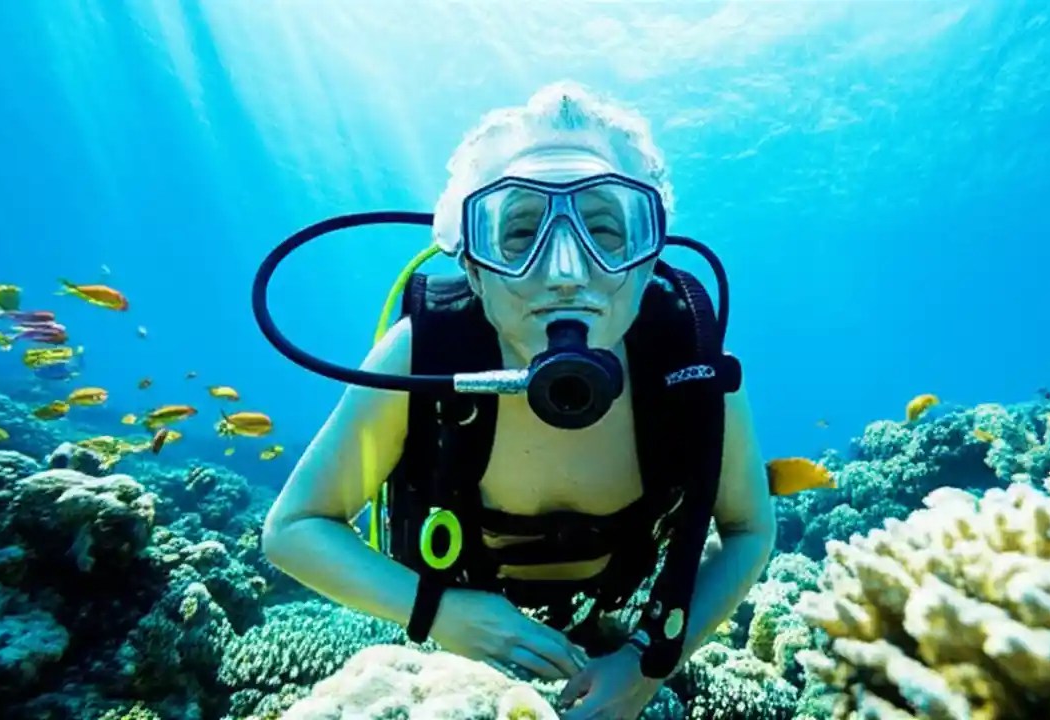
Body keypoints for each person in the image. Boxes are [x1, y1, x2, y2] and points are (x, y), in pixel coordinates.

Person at [261, 81, 776, 719]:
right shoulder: (426, 354)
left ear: (648, 259)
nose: (565, 271)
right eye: (521, 230)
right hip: (457, 616)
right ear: (473, 264)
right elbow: (294, 529)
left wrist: (648, 663)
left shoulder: (690, 364)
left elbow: (750, 529)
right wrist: (438, 611)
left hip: (618, 613)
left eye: (607, 231)